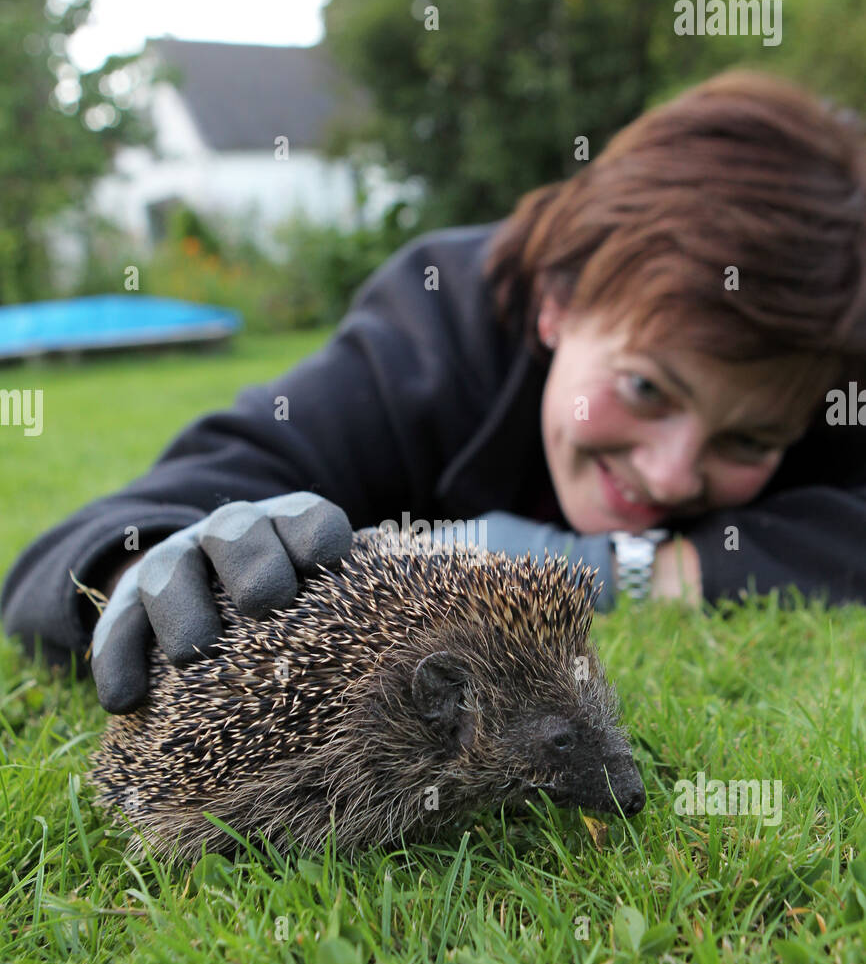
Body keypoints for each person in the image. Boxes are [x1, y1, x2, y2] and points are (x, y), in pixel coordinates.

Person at [3, 68, 866, 713]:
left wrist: (624, 570)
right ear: (559, 300)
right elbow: (75, 552)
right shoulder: (427, 334)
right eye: (644, 387)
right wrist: (145, 570)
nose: (674, 476)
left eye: (748, 440)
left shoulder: (827, 358)